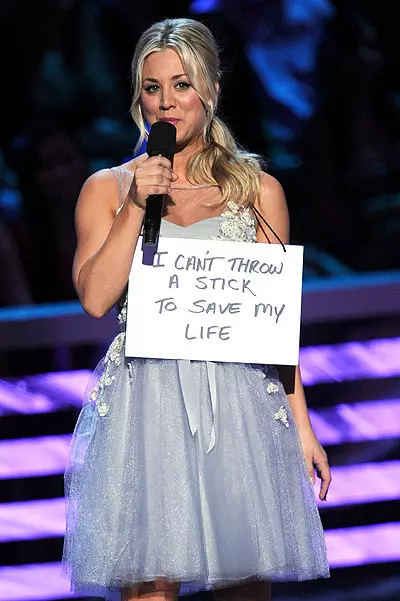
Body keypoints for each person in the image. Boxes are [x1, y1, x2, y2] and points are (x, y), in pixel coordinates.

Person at [63, 18, 331, 601]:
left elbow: (273, 325)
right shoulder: (107, 188)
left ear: (209, 88)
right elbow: (95, 298)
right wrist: (136, 205)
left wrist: (303, 428)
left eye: (181, 84)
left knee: (243, 582)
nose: (167, 101)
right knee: (150, 585)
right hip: (147, 405)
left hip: (237, 404)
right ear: (139, 96)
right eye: (153, 87)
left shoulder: (258, 191)